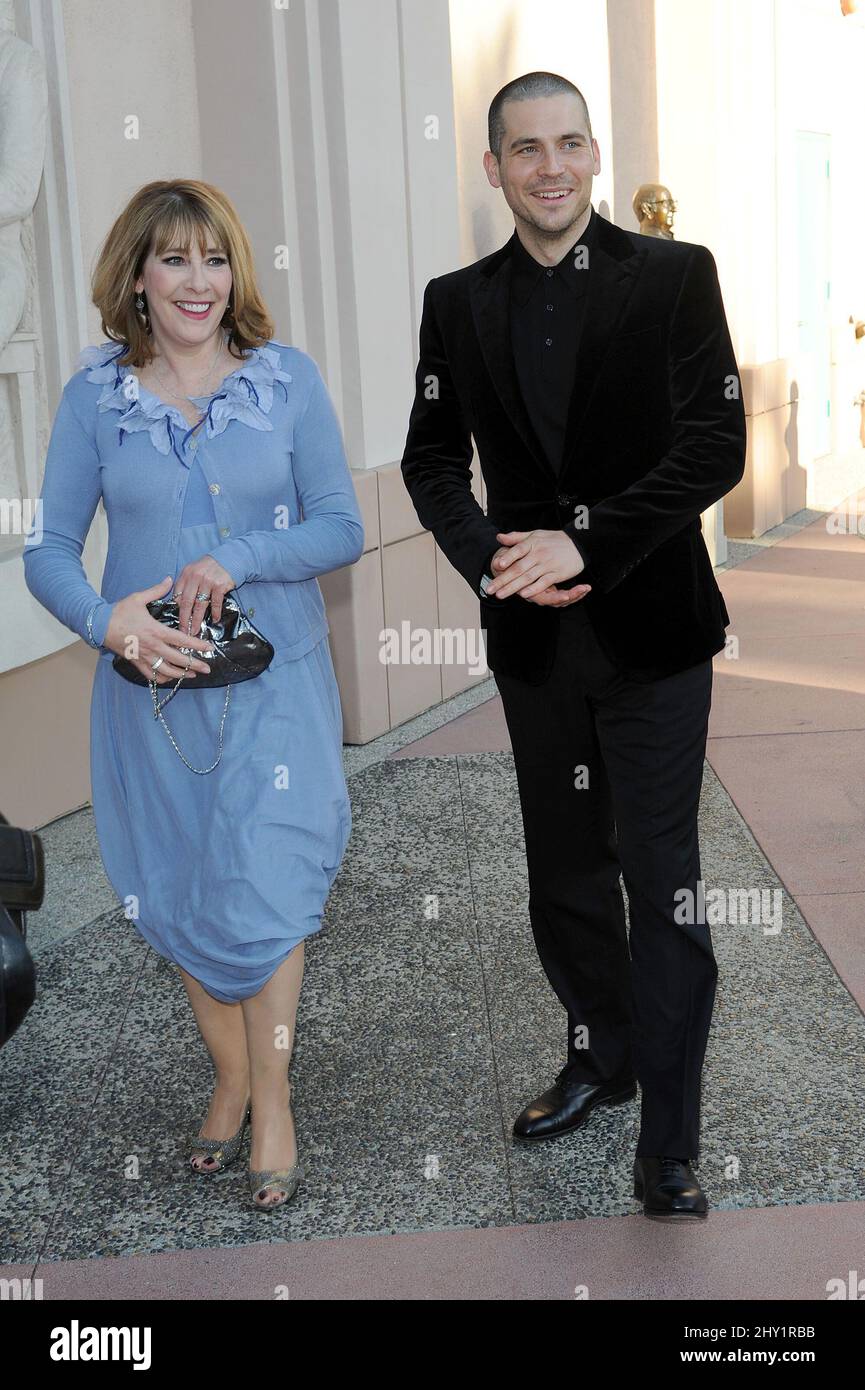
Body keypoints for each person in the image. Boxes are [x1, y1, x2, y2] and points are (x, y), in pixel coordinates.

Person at [401, 73, 746, 1221]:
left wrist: (577, 540)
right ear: (493, 169)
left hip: (654, 635)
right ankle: (600, 1056)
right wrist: (493, 557)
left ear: (593, 155)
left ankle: (673, 1139)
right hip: (535, 646)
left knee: (664, 881)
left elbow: (713, 447)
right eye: (522, 149)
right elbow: (432, 458)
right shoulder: (455, 302)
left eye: (567, 144)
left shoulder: (675, 277)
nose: (548, 166)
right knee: (564, 875)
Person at [23, 179, 364, 1211]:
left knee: (269, 880)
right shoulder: (93, 399)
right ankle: (228, 1073)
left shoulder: (287, 380)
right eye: (175, 258)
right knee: (178, 886)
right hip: (151, 697)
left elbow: (340, 526)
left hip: (277, 686)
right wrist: (108, 620)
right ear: (136, 273)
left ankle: (272, 1096)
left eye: (215, 259)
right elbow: (46, 552)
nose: (199, 281)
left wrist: (243, 551)